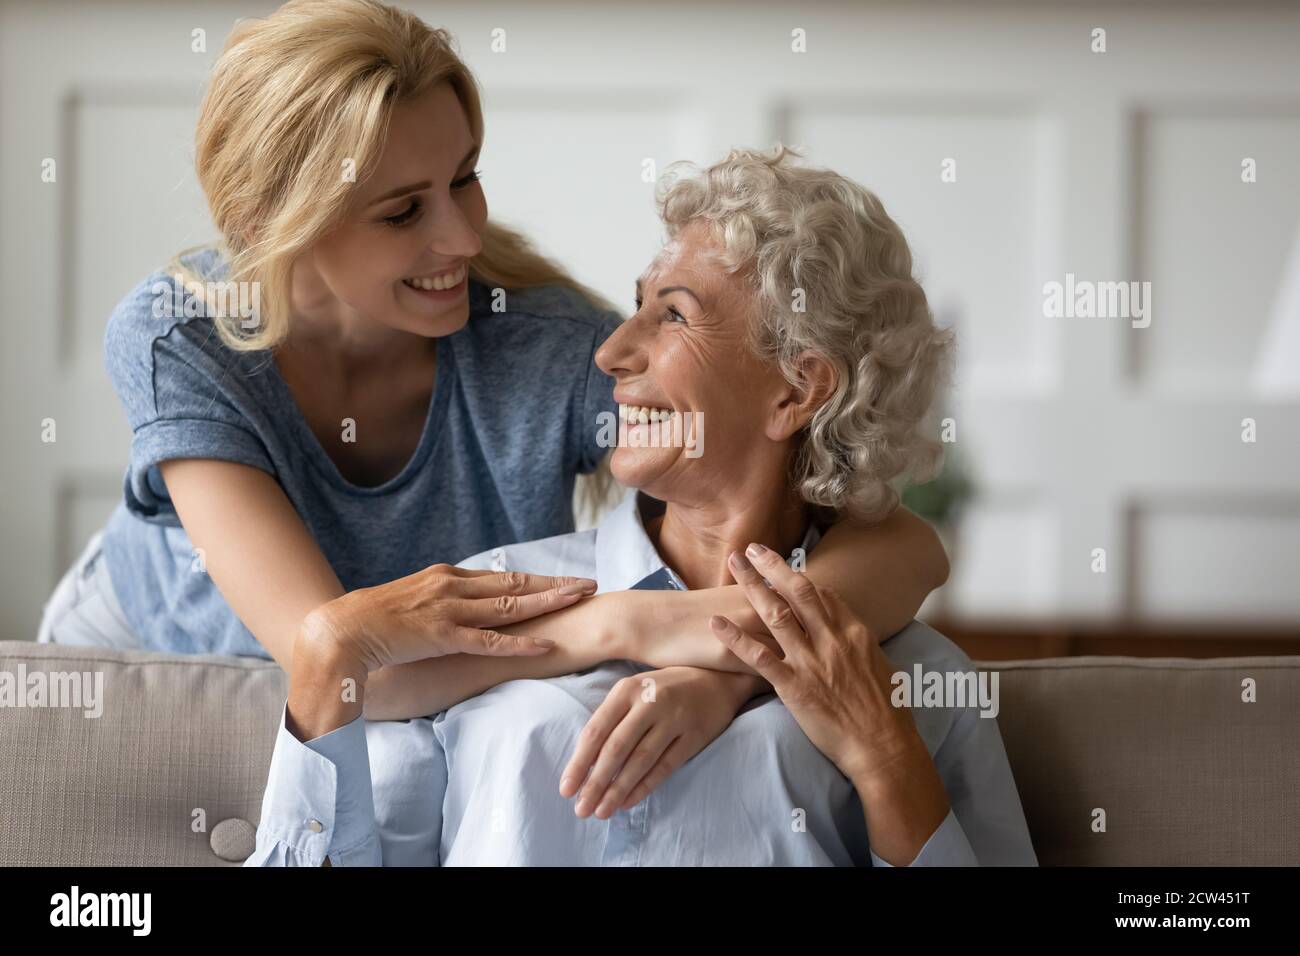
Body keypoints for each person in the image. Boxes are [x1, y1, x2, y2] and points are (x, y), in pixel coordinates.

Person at [38, 0, 950, 728]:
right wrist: (616, 626)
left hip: (437, 685)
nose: (464, 236)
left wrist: (726, 683)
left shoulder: (538, 345)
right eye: (405, 212)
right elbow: (338, 660)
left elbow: (902, 546)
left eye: (465, 177)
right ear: (284, 224)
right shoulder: (181, 336)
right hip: (158, 660)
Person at [246, 147, 1038, 867]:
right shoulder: (490, 599)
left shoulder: (917, 677)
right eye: (636, 307)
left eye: (673, 315)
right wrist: (327, 651)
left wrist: (881, 758)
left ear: (799, 389)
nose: (612, 353)